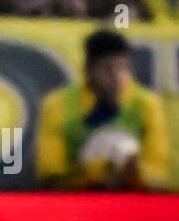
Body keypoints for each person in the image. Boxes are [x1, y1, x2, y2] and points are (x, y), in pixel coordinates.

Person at [36, 30, 169, 190]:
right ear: (87, 71)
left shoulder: (148, 104)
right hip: (77, 201)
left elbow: (159, 172)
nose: (116, 77)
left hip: (134, 200)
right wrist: (92, 175)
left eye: (123, 68)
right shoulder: (58, 104)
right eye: (106, 69)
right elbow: (50, 175)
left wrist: (136, 174)